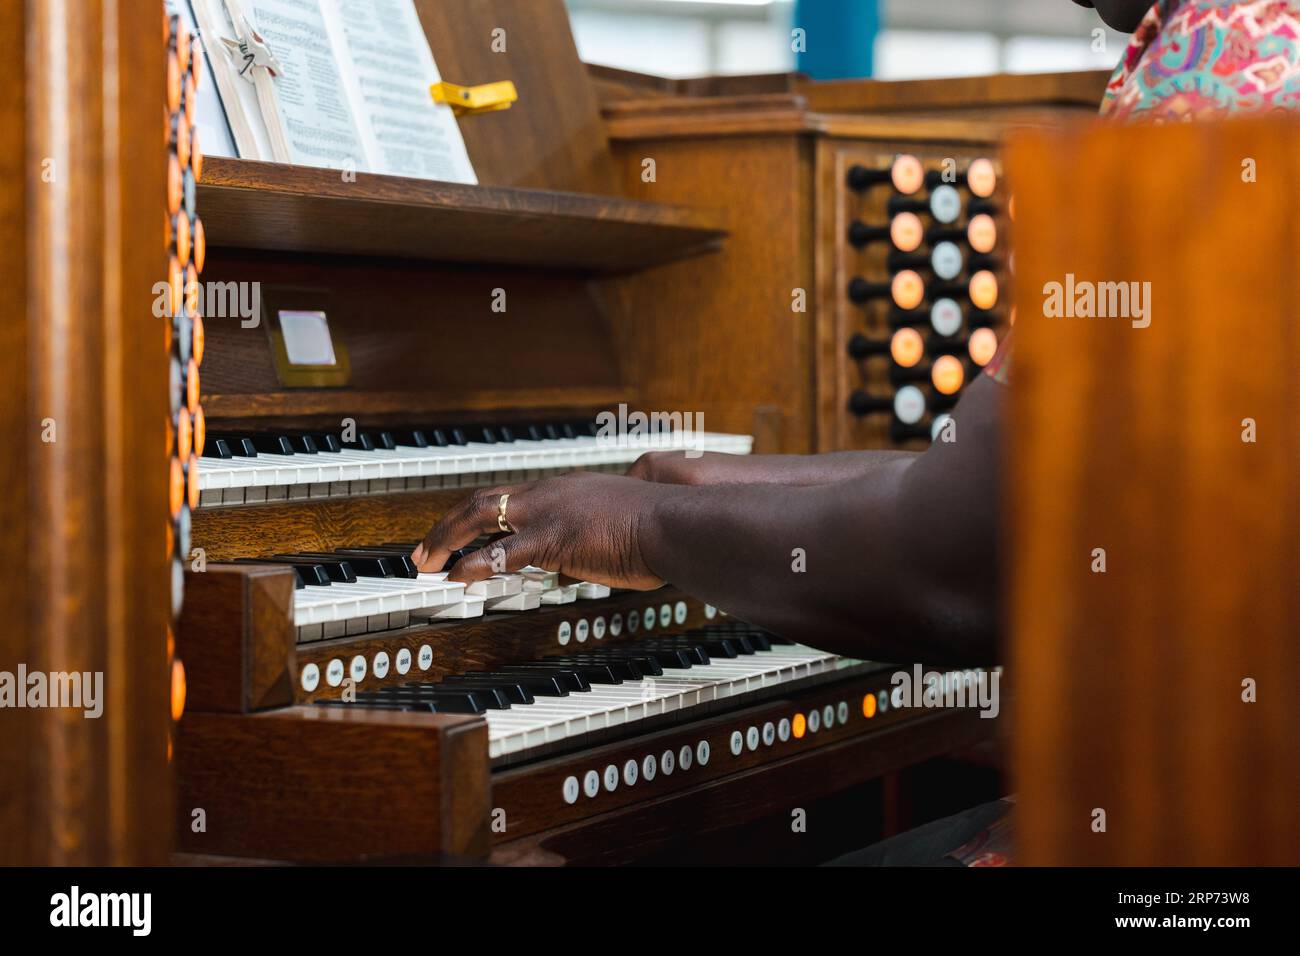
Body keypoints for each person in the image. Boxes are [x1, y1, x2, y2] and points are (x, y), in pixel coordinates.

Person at [411, 0, 1291, 864]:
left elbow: (967, 568)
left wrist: (639, 523)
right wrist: (739, 486)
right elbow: (1064, 488)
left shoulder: (1223, 53)